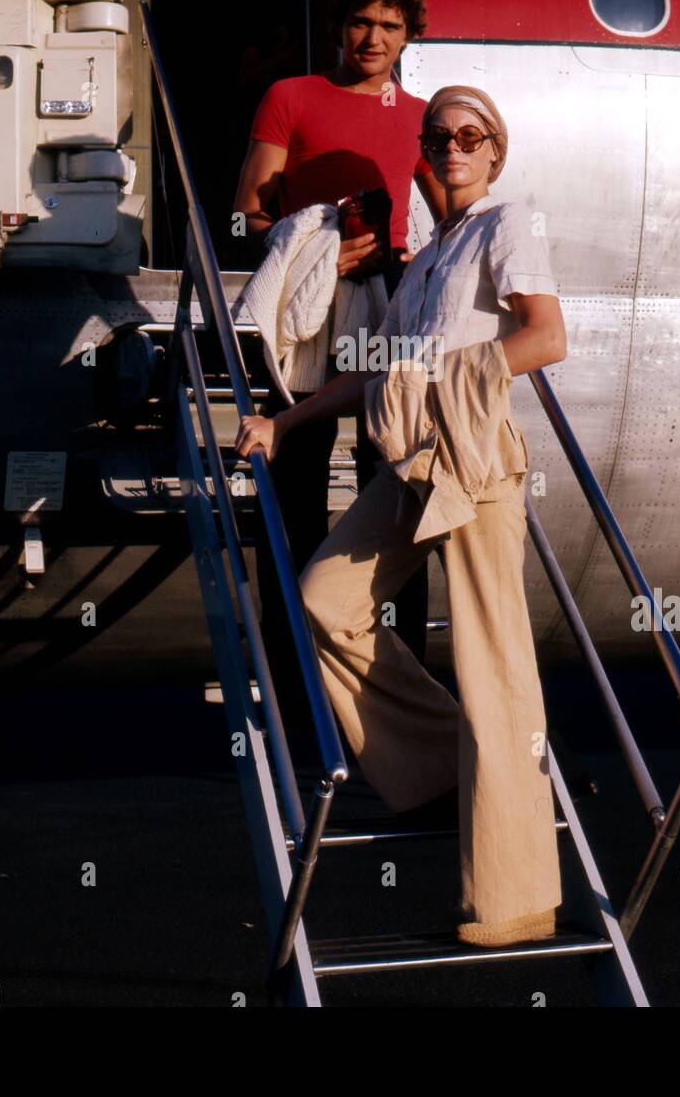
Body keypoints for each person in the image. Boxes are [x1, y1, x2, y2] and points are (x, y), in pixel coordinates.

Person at [234, 85, 568, 948]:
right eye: (440, 136)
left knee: (492, 662)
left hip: (469, 454)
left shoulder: (507, 224)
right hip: (406, 458)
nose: (454, 146)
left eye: (472, 135)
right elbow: (368, 371)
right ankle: (442, 767)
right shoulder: (424, 260)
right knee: (322, 601)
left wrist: (451, 378)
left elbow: (544, 336)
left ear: (495, 153)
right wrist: (284, 419)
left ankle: (514, 893)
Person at [233, 0, 447, 742]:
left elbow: (450, 213)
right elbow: (246, 216)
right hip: (305, 320)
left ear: (409, 36)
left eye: (392, 26)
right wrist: (315, 246)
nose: (374, 37)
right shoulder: (292, 98)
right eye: (363, 21)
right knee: (290, 502)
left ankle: (397, 700)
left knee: (396, 489)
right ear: (340, 23)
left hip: (386, 313)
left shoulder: (421, 117)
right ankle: (294, 705)